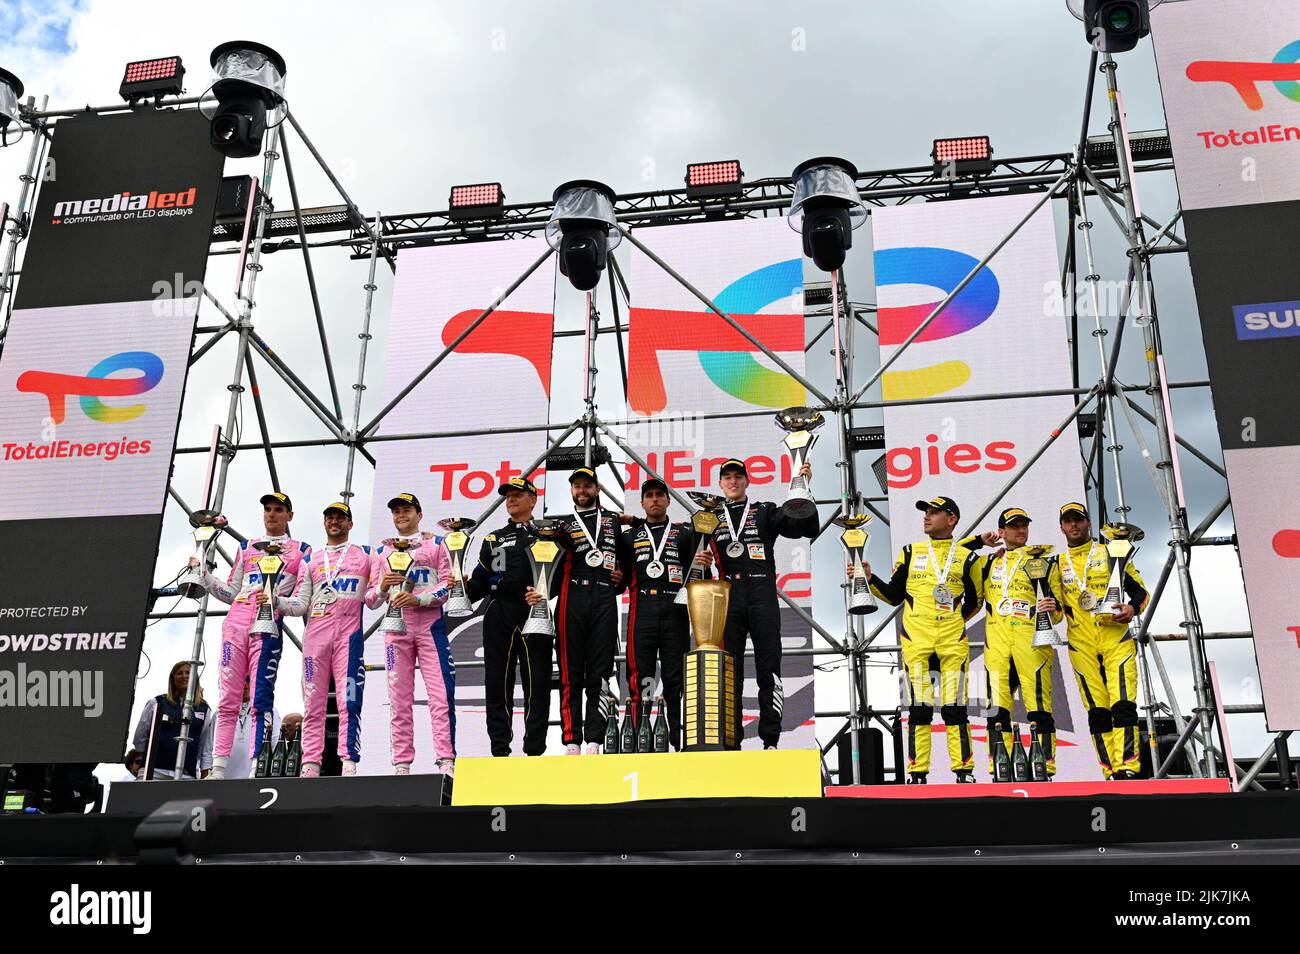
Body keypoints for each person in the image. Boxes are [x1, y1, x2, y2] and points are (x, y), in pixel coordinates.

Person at [191, 492, 310, 779]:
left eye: (278, 510)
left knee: (260, 699)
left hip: (267, 628)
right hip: (236, 624)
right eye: (268, 509)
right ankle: (218, 768)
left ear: (289, 516)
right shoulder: (247, 547)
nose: (271, 514)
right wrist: (204, 576)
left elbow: (302, 603)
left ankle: (257, 765)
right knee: (229, 699)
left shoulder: (301, 550)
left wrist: (276, 603)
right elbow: (231, 592)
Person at [866, 496, 982, 783]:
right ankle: (917, 774)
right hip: (916, 640)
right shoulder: (910, 551)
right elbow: (893, 596)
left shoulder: (968, 557)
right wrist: (870, 579)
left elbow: (975, 601)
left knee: (956, 708)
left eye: (934, 513)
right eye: (925, 513)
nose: (926, 517)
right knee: (919, 708)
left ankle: (964, 771)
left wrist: (954, 620)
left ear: (952, 518)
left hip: (952, 641)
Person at [709, 457, 819, 750]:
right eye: (727, 477)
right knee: (729, 671)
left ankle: (771, 740)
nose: (732, 481)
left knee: (768, 668)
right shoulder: (708, 517)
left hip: (762, 595)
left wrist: (804, 489)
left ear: (747, 482)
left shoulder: (764, 511)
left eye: (738, 477)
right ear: (720, 484)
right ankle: (731, 741)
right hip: (728, 596)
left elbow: (804, 527)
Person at [278, 502, 378, 778]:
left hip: (349, 636)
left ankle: (348, 760)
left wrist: (382, 588)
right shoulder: (311, 560)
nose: (335, 521)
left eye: (340, 518)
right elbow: (299, 604)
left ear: (350, 524)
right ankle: (310, 762)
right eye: (330, 517)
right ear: (324, 523)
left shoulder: (366, 555)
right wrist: (273, 600)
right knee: (313, 703)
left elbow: (372, 600)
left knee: (349, 700)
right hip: (315, 639)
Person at [1055, 502, 1150, 780]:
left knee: (1122, 705)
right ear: (1062, 527)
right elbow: (1059, 613)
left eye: (1079, 520)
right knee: (1097, 712)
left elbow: (1141, 593)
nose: (1074, 525)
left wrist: (1132, 609)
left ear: (1088, 524)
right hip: (1081, 644)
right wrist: (1050, 609)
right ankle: (1109, 770)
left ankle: (1128, 767)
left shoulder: (1111, 551)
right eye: (1068, 521)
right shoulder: (1056, 564)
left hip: (1115, 638)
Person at [368, 492, 456, 776]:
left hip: (430, 628)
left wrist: (419, 599)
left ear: (419, 514)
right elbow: (370, 600)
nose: (401, 515)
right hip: (396, 630)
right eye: (396, 512)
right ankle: (402, 764)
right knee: (399, 698)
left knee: (440, 695)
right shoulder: (382, 553)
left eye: (406, 510)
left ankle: (446, 760)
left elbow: (448, 586)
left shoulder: (437, 545)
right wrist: (383, 587)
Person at [972, 508, 1063, 779]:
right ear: (1001, 532)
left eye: (1024, 526)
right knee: (997, 711)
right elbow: (957, 554)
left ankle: (1043, 766)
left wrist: (1053, 608)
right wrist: (979, 541)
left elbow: (1058, 613)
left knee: (1039, 708)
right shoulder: (987, 564)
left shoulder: (1046, 561)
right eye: (1013, 526)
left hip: (1032, 644)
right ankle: (998, 768)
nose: (1020, 531)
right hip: (998, 646)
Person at [465, 476, 553, 757]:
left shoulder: (547, 533)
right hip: (499, 611)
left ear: (533, 499)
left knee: (537, 681)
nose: (511, 499)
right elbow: (479, 583)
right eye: (507, 495)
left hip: (534, 610)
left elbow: (560, 573)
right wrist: (460, 588)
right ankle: (499, 749)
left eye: (518, 494)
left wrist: (545, 593)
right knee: (497, 681)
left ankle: (535, 749)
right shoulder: (493, 537)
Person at [624, 478, 713, 750]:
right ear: (642, 503)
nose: (654, 500)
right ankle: (640, 738)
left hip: (675, 608)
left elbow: (699, 575)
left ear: (667, 500)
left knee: (675, 677)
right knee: (643, 675)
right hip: (642, 609)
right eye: (648, 495)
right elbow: (618, 578)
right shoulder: (629, 537)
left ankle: (676, 738)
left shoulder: (684, 533)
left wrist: (704, 565)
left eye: (659, 495)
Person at [553, 467, 632, 754]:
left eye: (588, 486)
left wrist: (621, 580)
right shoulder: (562, 526)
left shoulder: (613, 520)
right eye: (577, 486)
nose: (582, 491)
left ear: (597, 489)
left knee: (600, 672)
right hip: (572, 597)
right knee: (569, 673)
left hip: (603, 598)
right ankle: (572, 740)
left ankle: (595, 740)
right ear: (572, 490)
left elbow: (624, 563)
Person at [131, 660, 214, 780]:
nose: (184, 676)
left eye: (188, 673)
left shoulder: (205, 709)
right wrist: (150, 758)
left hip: (187, 774)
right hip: (154, 771)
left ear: (195, 678)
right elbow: (140, 736)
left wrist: (204, 771)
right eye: (179, 673)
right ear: (173, 678)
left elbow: (204, 745)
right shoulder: (157, 702)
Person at [226, 684, 281, 780]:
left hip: (255, 780)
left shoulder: (270, 711)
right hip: (223, 781)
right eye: (243, 678)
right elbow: (208, 749)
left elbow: (275, 745)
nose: (245, 684)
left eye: (249, 679)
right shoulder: (222, 712)